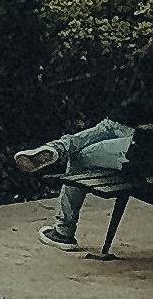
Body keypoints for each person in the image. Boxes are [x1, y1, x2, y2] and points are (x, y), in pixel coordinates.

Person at [15, 95, 150, 247]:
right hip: (126, 124)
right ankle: (55, 149)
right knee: (103, 130)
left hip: (139, 143)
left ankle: (63, 231)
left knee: (80, 157)